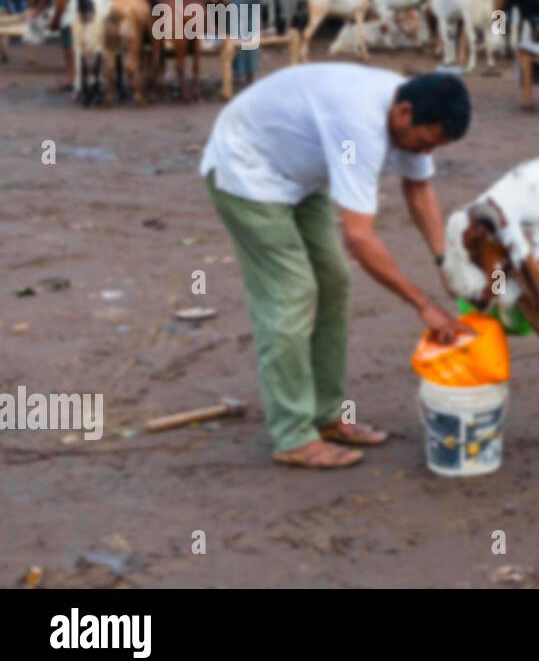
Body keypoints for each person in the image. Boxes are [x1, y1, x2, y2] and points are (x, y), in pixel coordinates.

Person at [201, 66, 472, 468]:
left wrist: (444, 262)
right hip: (246, 167)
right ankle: (293, 434)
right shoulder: (359, 123)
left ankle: (326, 416)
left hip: (298, 176)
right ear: (403, 113)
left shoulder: (409, 113)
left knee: (333, 281)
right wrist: (423, 303)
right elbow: (359, 238)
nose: (424, 154)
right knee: (292, 292)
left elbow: (418, 188)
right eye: (425, 142)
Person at [5, 0, 102, 92]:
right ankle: (76, 77)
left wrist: (55, 21)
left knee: (66, 28)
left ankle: (74, 79)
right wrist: (36, 13)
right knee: (67, 29)